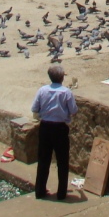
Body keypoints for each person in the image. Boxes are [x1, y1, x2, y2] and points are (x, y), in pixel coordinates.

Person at [31, 64, 78, 201]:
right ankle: (62, 193)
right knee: (62, 162)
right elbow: (73, 110)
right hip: (60, 129)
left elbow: (34, 108)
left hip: (45, 127)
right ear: (62, 78)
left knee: (43, 160)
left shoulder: (42, 91)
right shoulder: (67, 92)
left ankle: (39, 191)